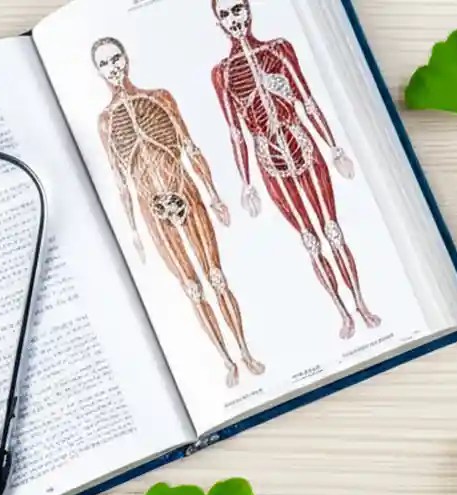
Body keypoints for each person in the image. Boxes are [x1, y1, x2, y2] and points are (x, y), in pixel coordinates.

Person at [94, 36, 264, 388]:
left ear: (126, 57)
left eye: (116, 59)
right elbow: (120, 180)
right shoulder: (106, 121)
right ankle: (227, 361)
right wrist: (134, 232)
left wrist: (214, 196)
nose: (113, 68)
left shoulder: (159, 98)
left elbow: (189, 146)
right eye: (105, 64)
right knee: (192, 287)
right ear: (98, 71)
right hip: (151, 208)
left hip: (185, 189)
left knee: (216, 277)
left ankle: (246, 351)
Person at [210, 0, 380, 340]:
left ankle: (361, 304)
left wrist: (334, 148)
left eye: (238, 9)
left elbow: (307, 100)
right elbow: (235, 131)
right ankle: (343, 313)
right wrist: (246, 183)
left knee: (332, 230)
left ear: (249, 10)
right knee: (310, 239)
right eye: (226, 13)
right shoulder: (223, 72)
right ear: (219, 21)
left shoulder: (278, 49)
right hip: (268, 157)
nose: (234, 18)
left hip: (300, 140)